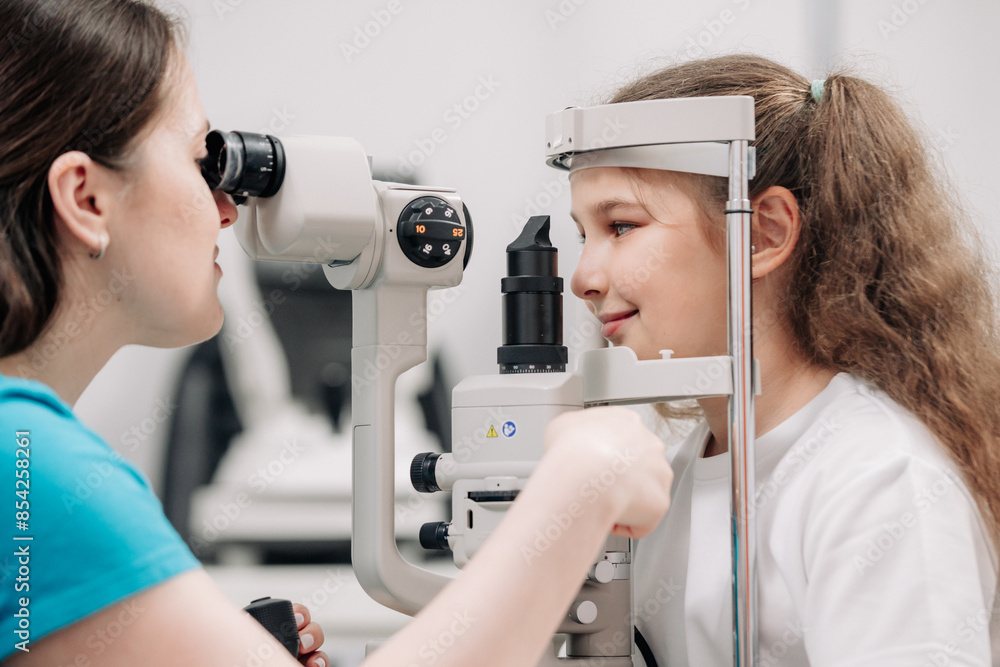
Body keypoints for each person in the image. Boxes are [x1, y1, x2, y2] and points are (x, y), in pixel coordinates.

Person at [0, 1, 674, 666]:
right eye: (202, 163)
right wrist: (582, 484)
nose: (230, 208)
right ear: (87, 200)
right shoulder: (35, 464)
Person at [567, 54, 1000, 664]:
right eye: (579, 234)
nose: (582, 277)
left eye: (621, 226)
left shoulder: (878, 482)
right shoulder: (674, 478)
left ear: (762, 233)